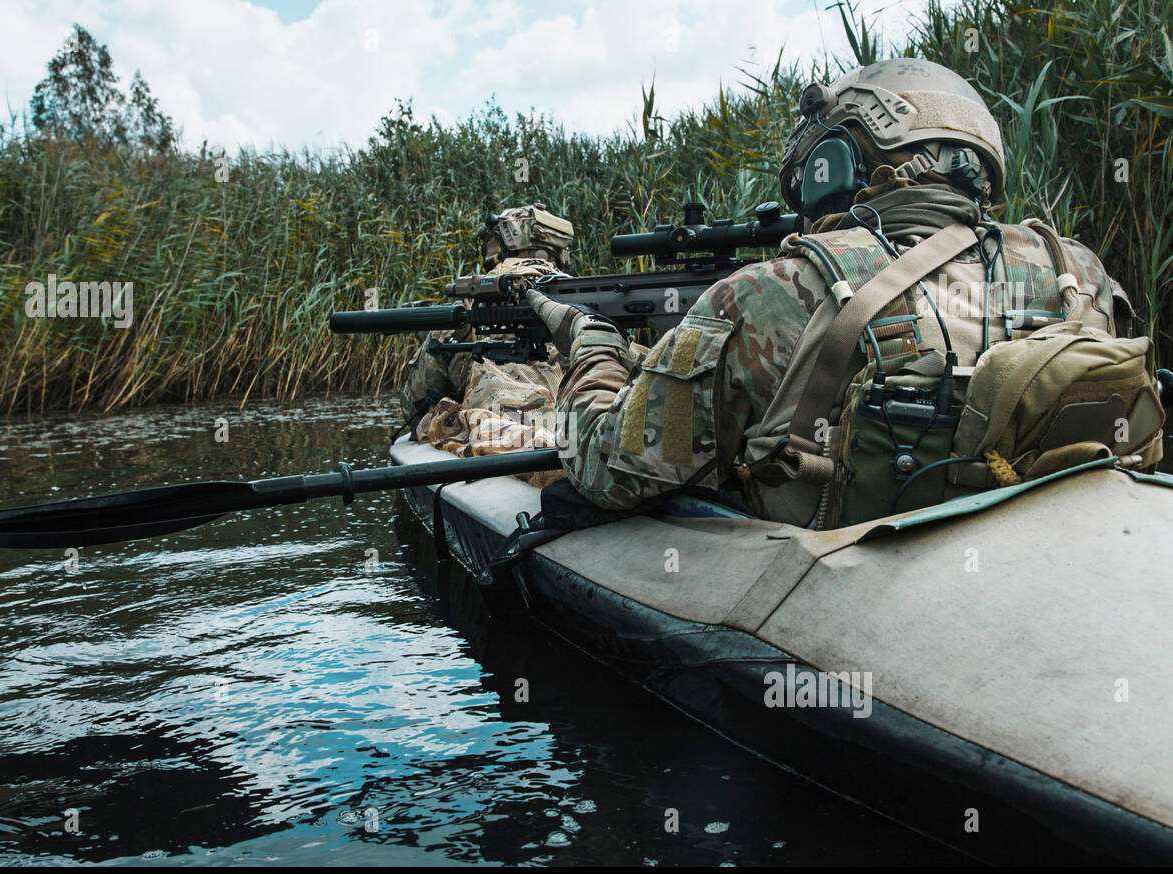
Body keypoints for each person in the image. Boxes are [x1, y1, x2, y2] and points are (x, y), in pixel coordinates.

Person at [527, 58, 1157, 529]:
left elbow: (613, 470)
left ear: (839, 161)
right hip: (1049, 557)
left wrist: (592, 352)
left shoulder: (768, 294)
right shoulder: (1077, 272)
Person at [397, 203, 574, 434]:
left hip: (491, 444)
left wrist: (434, 345)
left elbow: (414, 406)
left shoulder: (469, 307)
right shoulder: (586, 300)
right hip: (572, 438)